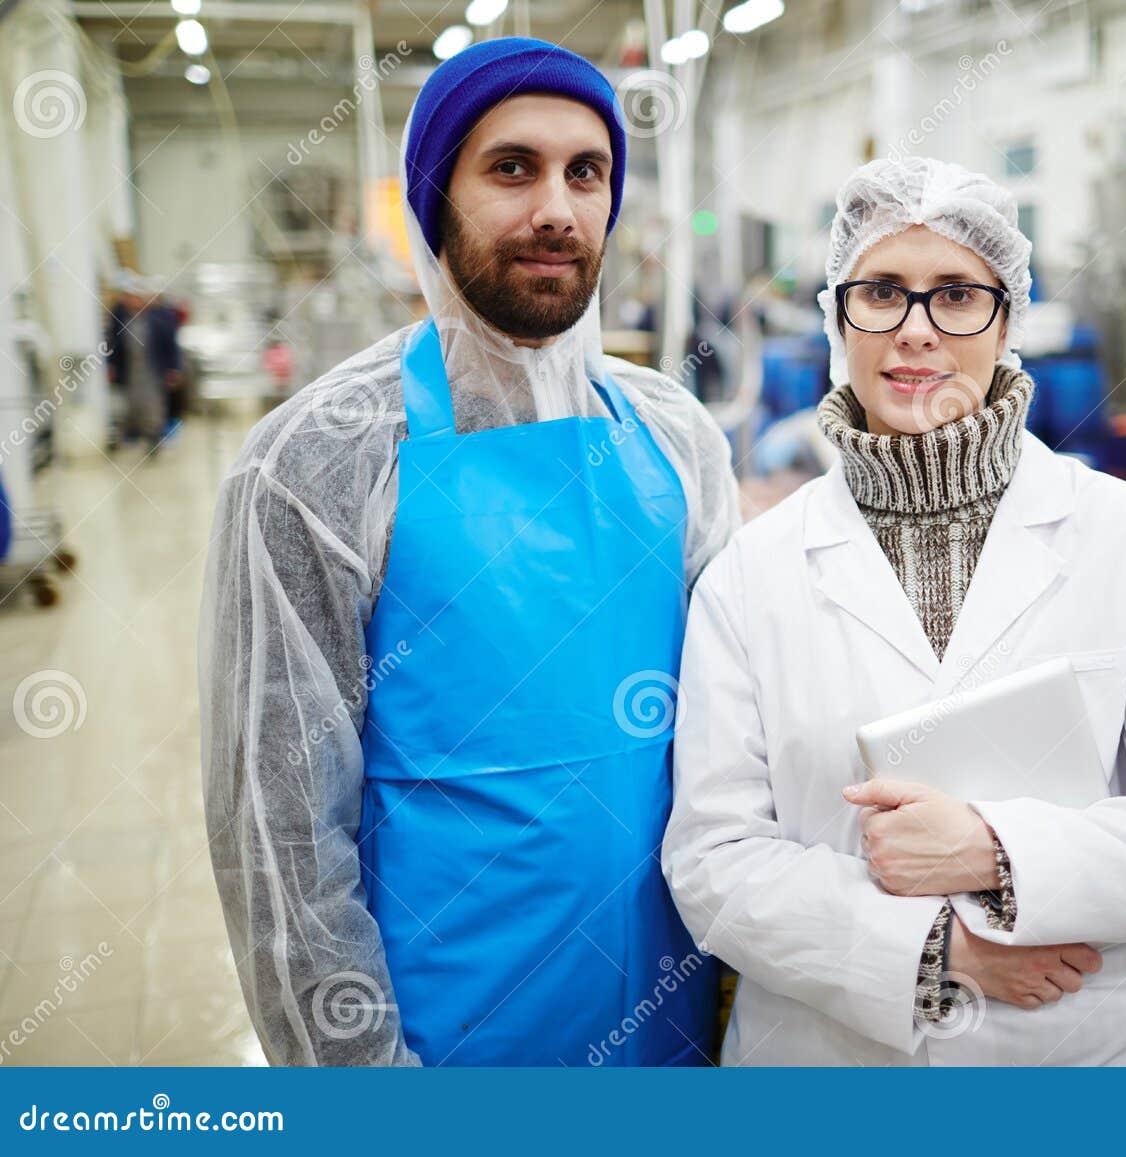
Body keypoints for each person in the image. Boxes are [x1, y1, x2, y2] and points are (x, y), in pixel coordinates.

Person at [663, 157, 1126, 1066]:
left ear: (1008, 321)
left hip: (1076, 1056)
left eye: (957, 294)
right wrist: (931, 952)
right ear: (840, 315)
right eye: (882, 291)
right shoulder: (750, 573)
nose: (917, 331)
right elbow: (713, 861)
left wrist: (997, 850)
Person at [200, 38, 738, 1067]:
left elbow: (738, 739)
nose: (557, 207)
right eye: (511, 167)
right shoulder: (319, 461)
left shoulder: (676, 437)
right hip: (446, 1044)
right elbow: (279, 836)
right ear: (432, 198)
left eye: (588, 172)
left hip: (671, 1020)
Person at [105, 272, 184, 451]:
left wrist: (174, 369)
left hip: (154, 369)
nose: (131, 301)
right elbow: (112, 344)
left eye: (134, 298)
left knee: (154, 405)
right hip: (131, 370)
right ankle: (133, 435)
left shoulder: (160, 319)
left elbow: (171, 345)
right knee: (131, 404)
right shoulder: (121, 319)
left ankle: (154, 439)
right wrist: (111, 365)